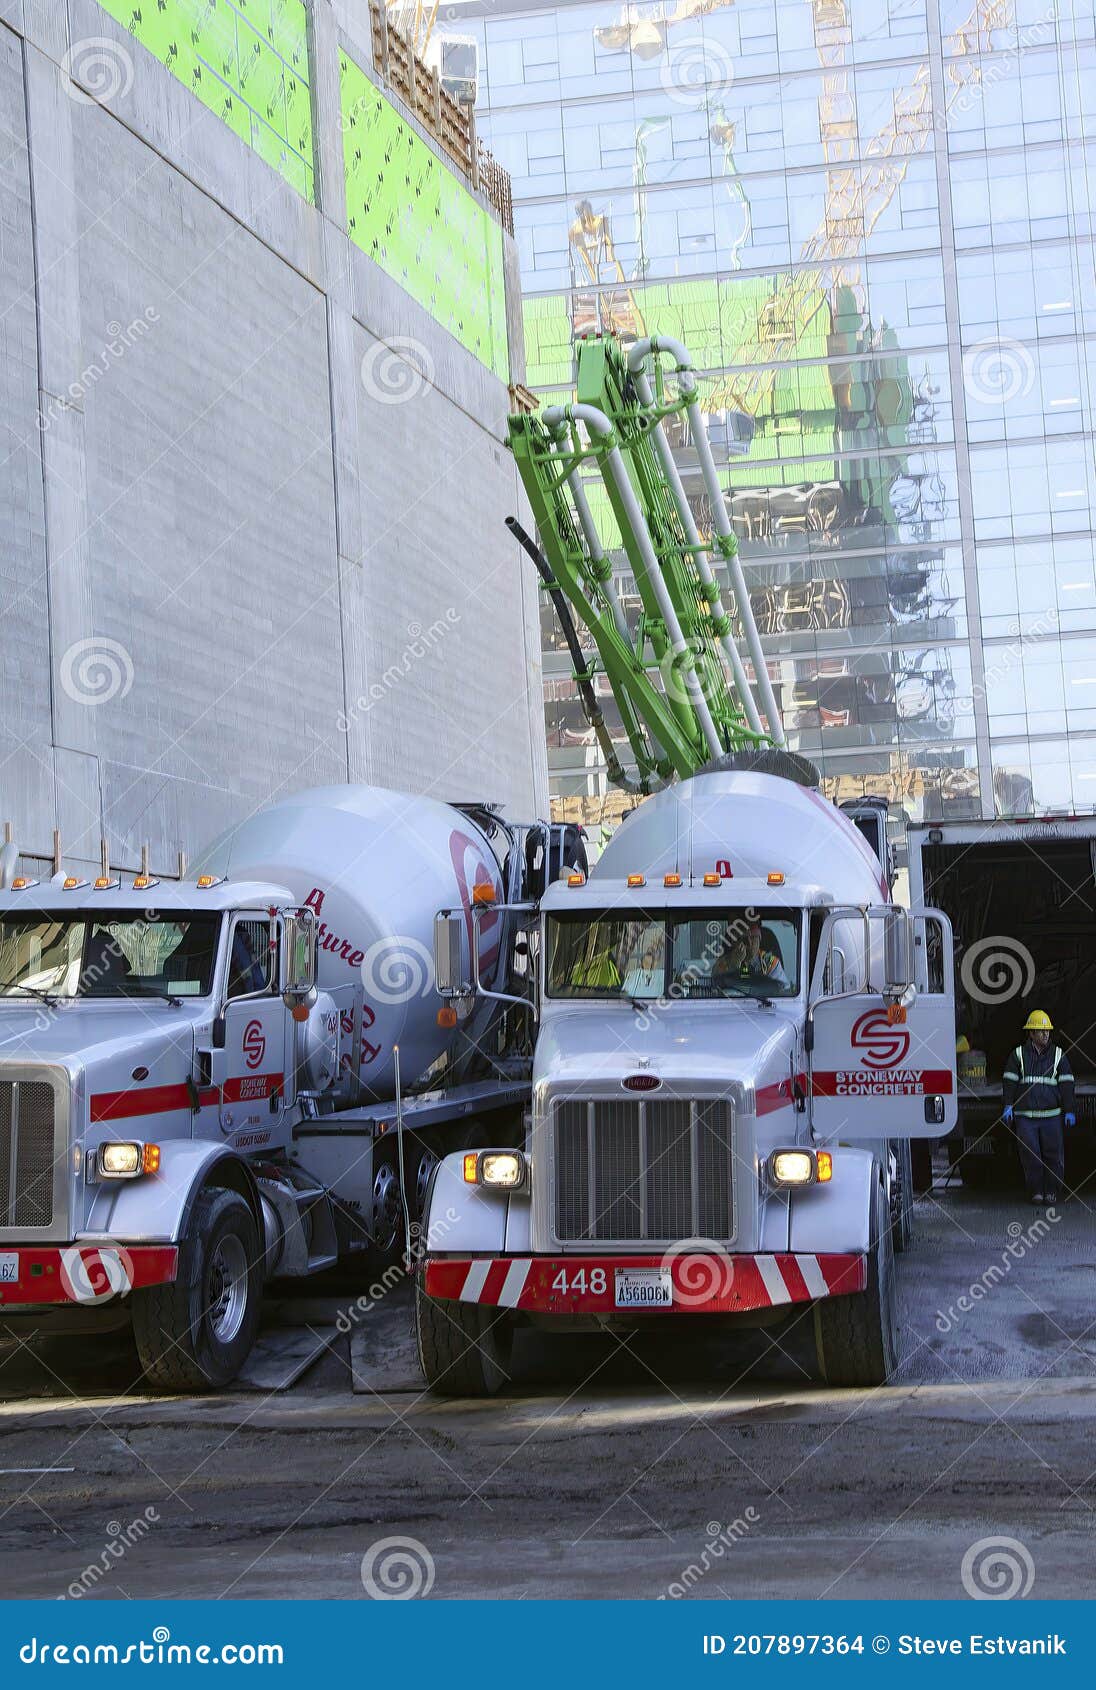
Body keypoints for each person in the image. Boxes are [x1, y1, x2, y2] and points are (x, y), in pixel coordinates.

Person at [1002, 1010, 1076, 1205]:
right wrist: (1008, 1105)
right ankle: (1036, 1192)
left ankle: (1051, 1192)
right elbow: (1009, 1082)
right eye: (1041, 1031)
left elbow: (1067, 1083)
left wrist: (1069, 1110)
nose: (1045, 1034)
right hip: (1025, 1118)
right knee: (1031, 1156)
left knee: (1054, 1156)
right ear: (1031, 1034)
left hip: (1051, 1116)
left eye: (1047, 1031)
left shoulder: (1058, 1054)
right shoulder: (1018, 1054)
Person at [719, 917, 789, 991]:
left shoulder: (770, 962)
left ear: (759, 939)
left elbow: (782, 992)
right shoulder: (723, 963)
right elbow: (718, 990)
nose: (749, 943)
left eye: (753, 937)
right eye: (744, 939)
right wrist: (734, 966)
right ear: (734, 942)